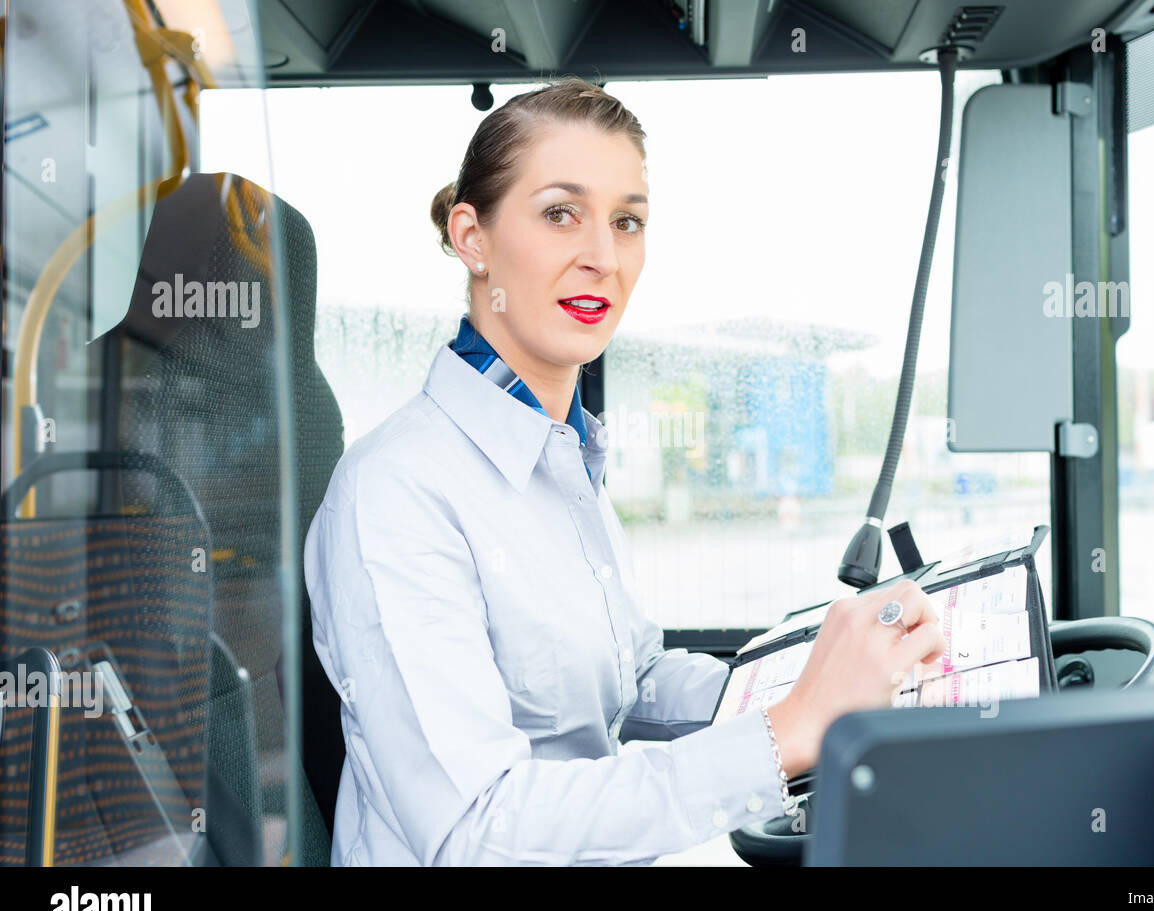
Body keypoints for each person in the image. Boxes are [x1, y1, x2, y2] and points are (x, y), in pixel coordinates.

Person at [303, 76, 945, 866]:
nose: (603, 258)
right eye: (560, 214)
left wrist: (822, 685)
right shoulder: (396, 492)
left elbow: (631, 679)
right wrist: (786, 733)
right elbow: (477, 830)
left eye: (628, 221)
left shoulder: (564, 455)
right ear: (472, 238)